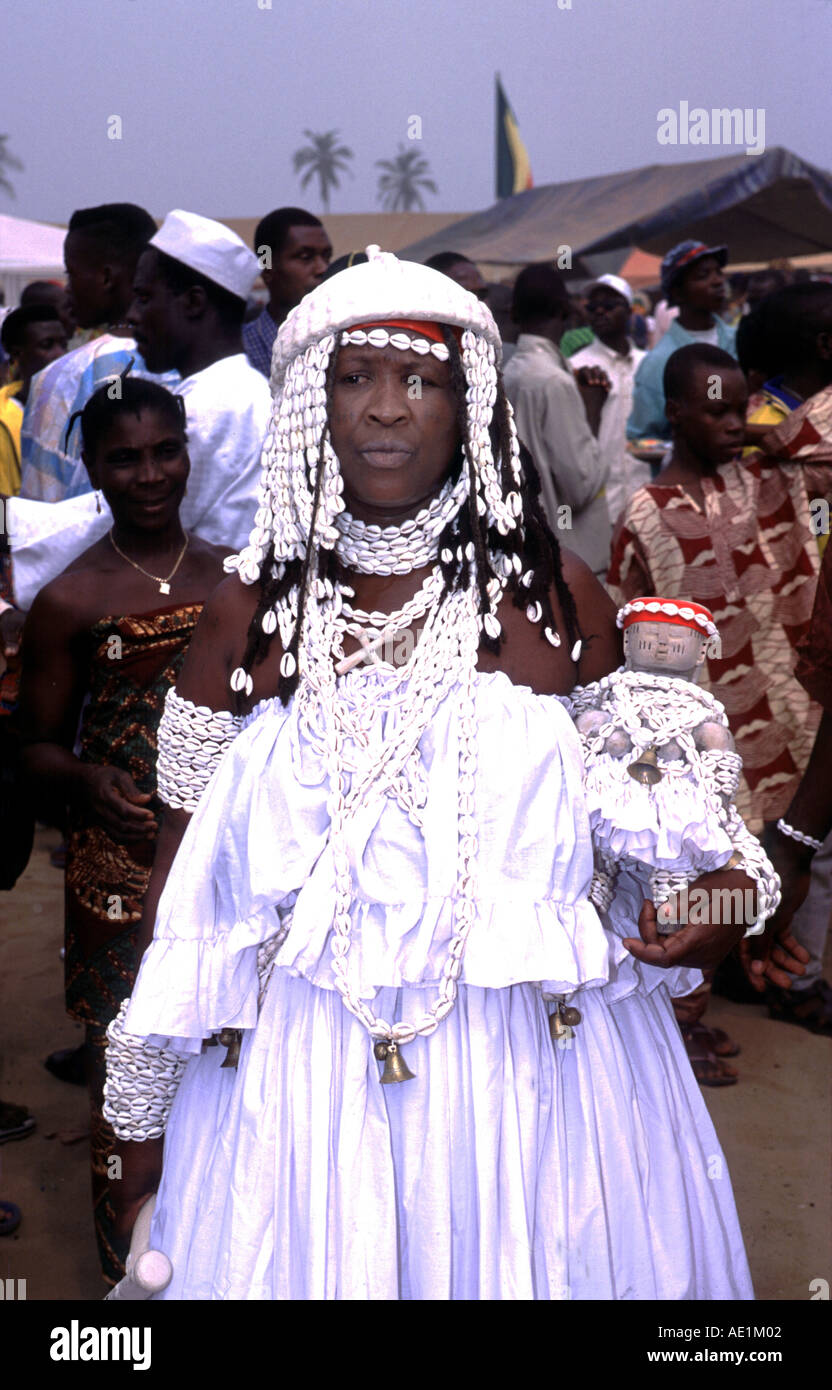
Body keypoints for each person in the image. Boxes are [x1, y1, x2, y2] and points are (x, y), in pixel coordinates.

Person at [105, 248, 759, 1301]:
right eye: (354, 376)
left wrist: (720, 905)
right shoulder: (246, 616)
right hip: (299, 1094)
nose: (385, 410)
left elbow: (682, 823)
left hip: (542, 1084)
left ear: (471, 408)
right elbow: (174, 888)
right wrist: (140, 1126)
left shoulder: (556, 600)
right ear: (309, 403)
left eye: (421, 380)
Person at [19, 378, 228, 1283]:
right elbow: (27, 749)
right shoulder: (71, 599)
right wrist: (85, 779)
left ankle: (225, 1255)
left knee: (225, 1055)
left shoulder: (235, 574)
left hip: (224, 861)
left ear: (188, 450)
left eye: (163, 451)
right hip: (117, 875)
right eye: (124, 458)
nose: (149, 475)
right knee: (128, 1064)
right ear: (92, 468)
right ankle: (129, 1274)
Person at [608, 344, 832, 1074]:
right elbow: (621, 628)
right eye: (716, 410)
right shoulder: (643, 514)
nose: (735, 422)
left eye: (743, 407)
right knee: (705, 871)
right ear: (674, 413)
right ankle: (678, 1017)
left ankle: (778, 976)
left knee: (784, 863)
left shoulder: (769, 480)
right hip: (708, 737)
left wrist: (775, 431)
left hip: (792, 722)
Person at [2, 209, 272, 616]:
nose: (132, 315)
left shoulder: (217, 402)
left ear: (194, 302)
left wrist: (9, 521)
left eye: (145, 298)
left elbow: (116, 519)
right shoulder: (231, 389)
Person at [19, 204, 163, 502]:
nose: (68, 290)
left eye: (71, 274)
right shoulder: (186, 363)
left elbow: (43, 505)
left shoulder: (60, 378)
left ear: (107, 278)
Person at [503, 263, 611, 578]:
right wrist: (593, 408)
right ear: (566, 309)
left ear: (513, 315)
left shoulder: (510, 373)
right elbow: (581, 484)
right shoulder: (553, 382)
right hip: (573, 557)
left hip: (529, 548)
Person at [627, 241, 736, 444]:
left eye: (718, 272)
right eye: (703, 276)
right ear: (677, 292)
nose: (717, 281)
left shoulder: (738, 341)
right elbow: (641, 438)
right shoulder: (660, 362)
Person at [571, 274, 647, 529]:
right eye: (593, 307)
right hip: (603, 502)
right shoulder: (577, 367)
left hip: (647, 494)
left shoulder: (647, 364)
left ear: (629, 310)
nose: (600, 311)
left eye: (610, 305)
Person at [242, 207, 332, 378]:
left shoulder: (345, 342)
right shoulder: (242, 353)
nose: (323, 268)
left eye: (326, 257)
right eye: (305, 257)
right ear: (267, 268)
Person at [0, 306, 68, 495]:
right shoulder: (4, 422)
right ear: (16, 354)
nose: (60, 354)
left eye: (64, 344)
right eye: (47, 345)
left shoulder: (77, 405)